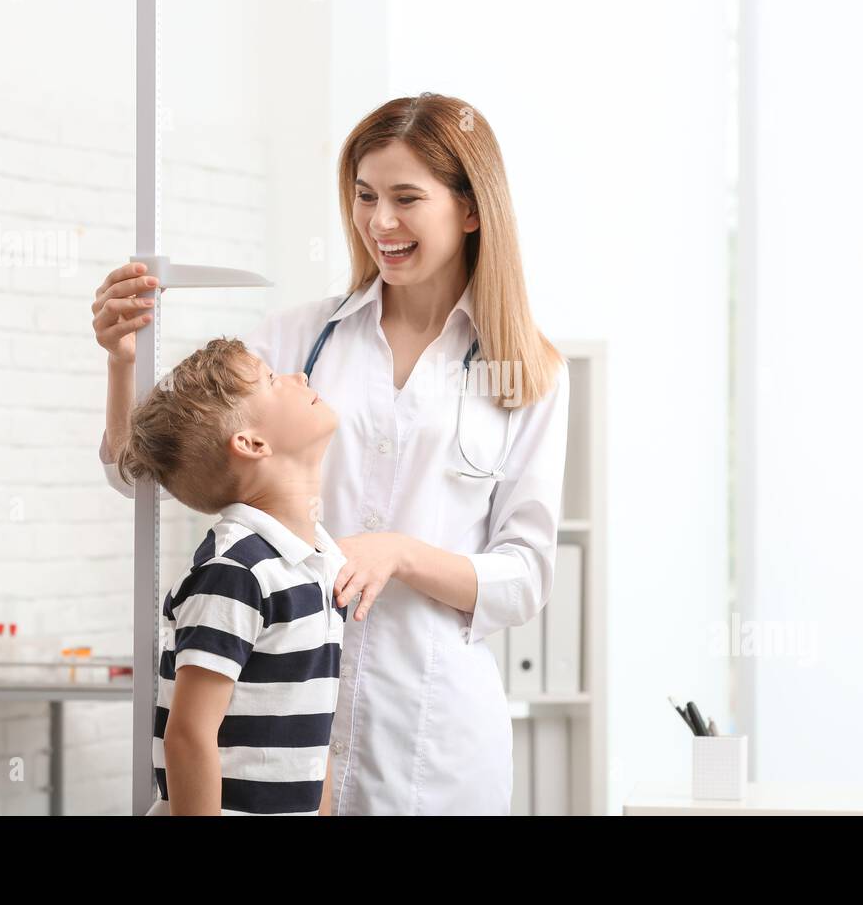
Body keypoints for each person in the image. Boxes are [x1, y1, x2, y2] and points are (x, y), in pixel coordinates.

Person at [93, 93, 570, 814]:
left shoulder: (527, 369)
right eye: (364, 195)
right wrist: (121, 364)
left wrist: (399, 553)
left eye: (407, 198)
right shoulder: (294, 342)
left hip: (433, 748)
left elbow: (525, 576)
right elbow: (155, 472)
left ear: (471, 209)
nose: (380, 222)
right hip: (285, 748)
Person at [114, 336, 348, 815]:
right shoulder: (235, 571)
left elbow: (311, 738)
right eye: (271, 378)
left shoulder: (317, 564)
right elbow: (189, 734)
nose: (299, 377)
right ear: (251, 443)